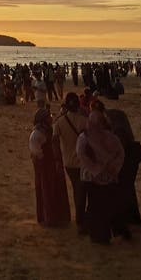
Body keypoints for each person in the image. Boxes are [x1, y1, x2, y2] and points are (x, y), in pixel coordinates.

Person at [76, 108, 125, 244]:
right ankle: (99, 236)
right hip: (94, 179)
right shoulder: (85, 138)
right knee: (96, 208)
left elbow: (120, 154)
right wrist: (99, 170)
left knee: (103, 207)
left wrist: (111, 169)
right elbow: (83, 156)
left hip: (103, 178)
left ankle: (103, 235)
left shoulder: (110, 138)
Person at [28, 108, 70, 227]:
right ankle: (48, 218)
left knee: (55, 190)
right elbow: (36, 151)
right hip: (44, 167)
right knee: (46, 190)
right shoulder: (37, 133)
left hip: (52, 165)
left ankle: (58, 217)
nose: (50, 118)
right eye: (48, 116)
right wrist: (44, 159)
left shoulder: (48, 129)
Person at [53, 92, 88, 232]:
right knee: (82, 192)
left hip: (68, 162)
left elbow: (54, 141)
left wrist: (57, 160)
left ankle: (81, 219)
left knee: (76, 189)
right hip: (83, 162)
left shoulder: (60, 122)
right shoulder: (84, 121)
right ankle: (81, 220)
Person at [107, 108, 141, 237]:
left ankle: (123, 228)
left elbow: (119, 152)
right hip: (129, 164)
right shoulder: (125, 132)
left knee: (120, 196)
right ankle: (132, 219)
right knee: (128, 193)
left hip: (123, 166)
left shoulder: (119, 132)